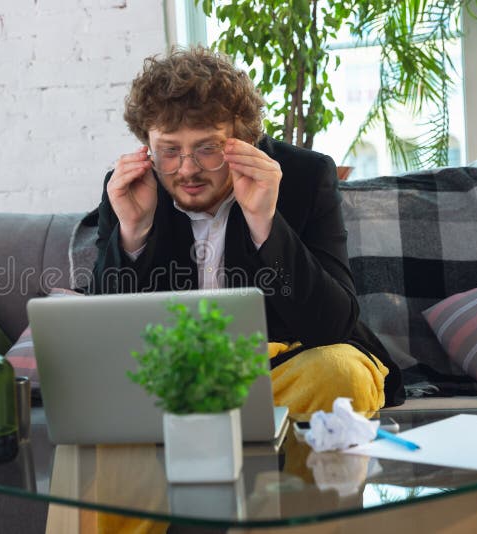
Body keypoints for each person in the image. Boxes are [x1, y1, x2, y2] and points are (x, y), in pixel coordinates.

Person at [88, 46, 404, 413]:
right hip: (175, 376)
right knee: (93, 387)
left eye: (207, 149)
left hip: (280, 365)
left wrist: (264, 224)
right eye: (169, 151)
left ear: (245, 140)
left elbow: (332, 326)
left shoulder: (305, 176)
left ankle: (197, 419)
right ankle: (222, 416)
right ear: (147, 146)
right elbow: (104, 340)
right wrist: (133, 233)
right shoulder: (130, 188)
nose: (187, 170)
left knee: (342, 375)